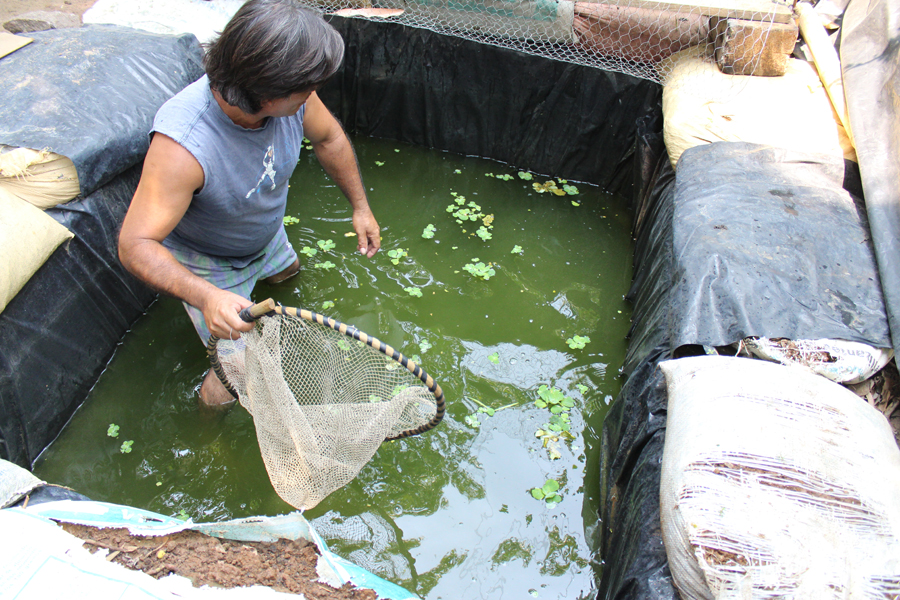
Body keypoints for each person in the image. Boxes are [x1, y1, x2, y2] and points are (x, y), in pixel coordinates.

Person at [118, 0, 380, 409]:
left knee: (288, 273)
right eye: (305, 89)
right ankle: (207, 430)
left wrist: (360, 207)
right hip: (209, 258)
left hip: (264, 232)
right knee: (236, 373)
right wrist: (208, 297)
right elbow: (135, 244)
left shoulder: (295, 101)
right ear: (267, 94)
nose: (313, 95)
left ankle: (269, 272)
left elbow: (329, 138)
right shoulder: (183, 147)